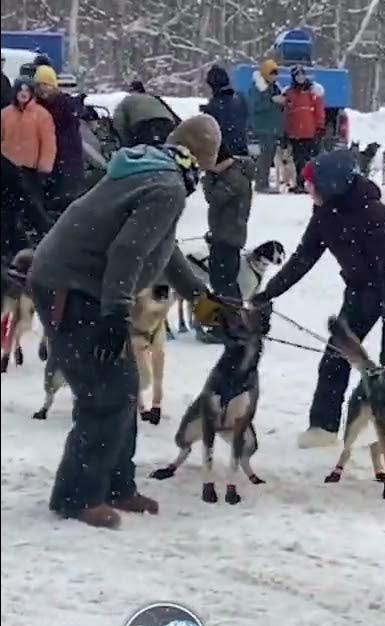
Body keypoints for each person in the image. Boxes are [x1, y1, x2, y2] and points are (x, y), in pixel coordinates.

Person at [25, 115, 222, 529]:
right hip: (71, 287)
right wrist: (115, 312)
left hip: (75, 281)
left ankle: (117, 484)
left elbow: (161, 249)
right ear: (201, 163)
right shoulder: (167, 187)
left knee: (124, 388)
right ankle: (76, 497)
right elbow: (129, 251)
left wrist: (199, 296)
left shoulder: (152, 170)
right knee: (105, 394)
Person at [249, 150, 385, 448]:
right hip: (361, 287)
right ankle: (323, 426)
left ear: (330, 185)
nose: (307, 189)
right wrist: (268, 293)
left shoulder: (375, 215)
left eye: (311, 183)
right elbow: (303, 258)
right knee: (337, 353)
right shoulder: (324, 214)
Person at [200, 65, 255, 303]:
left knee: (222, 276)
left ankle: (228, 317)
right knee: (224, 273)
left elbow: (214, 197)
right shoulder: (240, 100)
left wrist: (210, 173)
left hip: (224, 159)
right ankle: (223, 315)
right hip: (239, 157)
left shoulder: (212, 108)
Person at [1, 79, 56, 253]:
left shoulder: (42, 115)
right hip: (7, 168)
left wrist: (44, 166)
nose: (23, 94)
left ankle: (44, 235)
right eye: (20, 90)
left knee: (33, 205)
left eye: (27, 90)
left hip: (31, 169)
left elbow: (48, 142)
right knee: (10, 210)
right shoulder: (5, 114)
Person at [33, 65, 83, 215]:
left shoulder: (64, 104)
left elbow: (69, 132)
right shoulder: (36, 106)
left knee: (64, 198)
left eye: (46, 85)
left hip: (66, 159)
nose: (43, 90)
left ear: (53, 85)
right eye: (39, 86)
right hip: (48, 161)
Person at [283, 66, 326, 193]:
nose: (300, 78)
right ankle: (301, 183)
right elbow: (286, 113)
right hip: (294, 132)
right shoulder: (289, 93)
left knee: (309, 159)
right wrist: (285, 130)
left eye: (302, 75)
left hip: (310, 131)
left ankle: (310, 183)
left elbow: (319, 110)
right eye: (297, 75)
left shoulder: (312, 93)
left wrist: (320, 126)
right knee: (298, 159)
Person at [249, 59, 286, 193]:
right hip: (263, 127)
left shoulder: (274, 87)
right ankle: (261, 184)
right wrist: (272, 101)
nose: (274, 76)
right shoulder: (258, 88)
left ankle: (263, 182)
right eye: (272, 73)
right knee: (264, 157)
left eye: (276, 73)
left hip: (272, 127)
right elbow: (255, 106)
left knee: (268, 156)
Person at [112, 80, 179, 147]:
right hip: (168, 124)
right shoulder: (154, 98)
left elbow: (118, 122)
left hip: (145, 126)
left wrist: (127, 142)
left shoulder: (126, 100)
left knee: (147, 152)